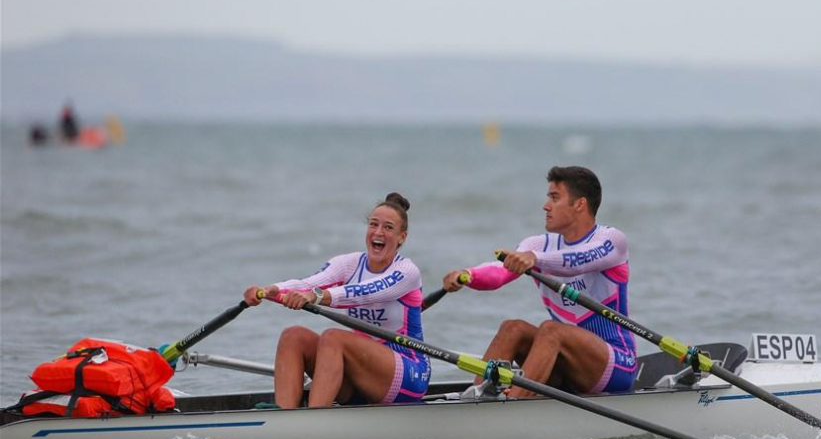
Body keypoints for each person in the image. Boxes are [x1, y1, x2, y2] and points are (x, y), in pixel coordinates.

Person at [443, 166, 635, 398]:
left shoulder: (611, 240)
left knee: (551, 330)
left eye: (555, 198)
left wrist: (534, 259)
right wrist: (468, 275)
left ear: (579, 204)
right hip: (564, 367)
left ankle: (513, 405)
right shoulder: (537, 244)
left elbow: (578, 261)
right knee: (512, 328)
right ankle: (475, 398)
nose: (546, 206)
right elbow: (500, 272)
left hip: (615, 366)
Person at [244, 193, 430, 409]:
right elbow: (309, 283)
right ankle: (286, 419)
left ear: (402, 237)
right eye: (373, 224)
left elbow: (366, 292)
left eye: (388, 228)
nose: (378, 232)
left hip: (408, 374)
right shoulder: (348, 263)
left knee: (334, 338)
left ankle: (316, 421)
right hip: (360, 374)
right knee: (293, 336)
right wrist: (268, 290)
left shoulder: (407, 271)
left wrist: (317, 296)